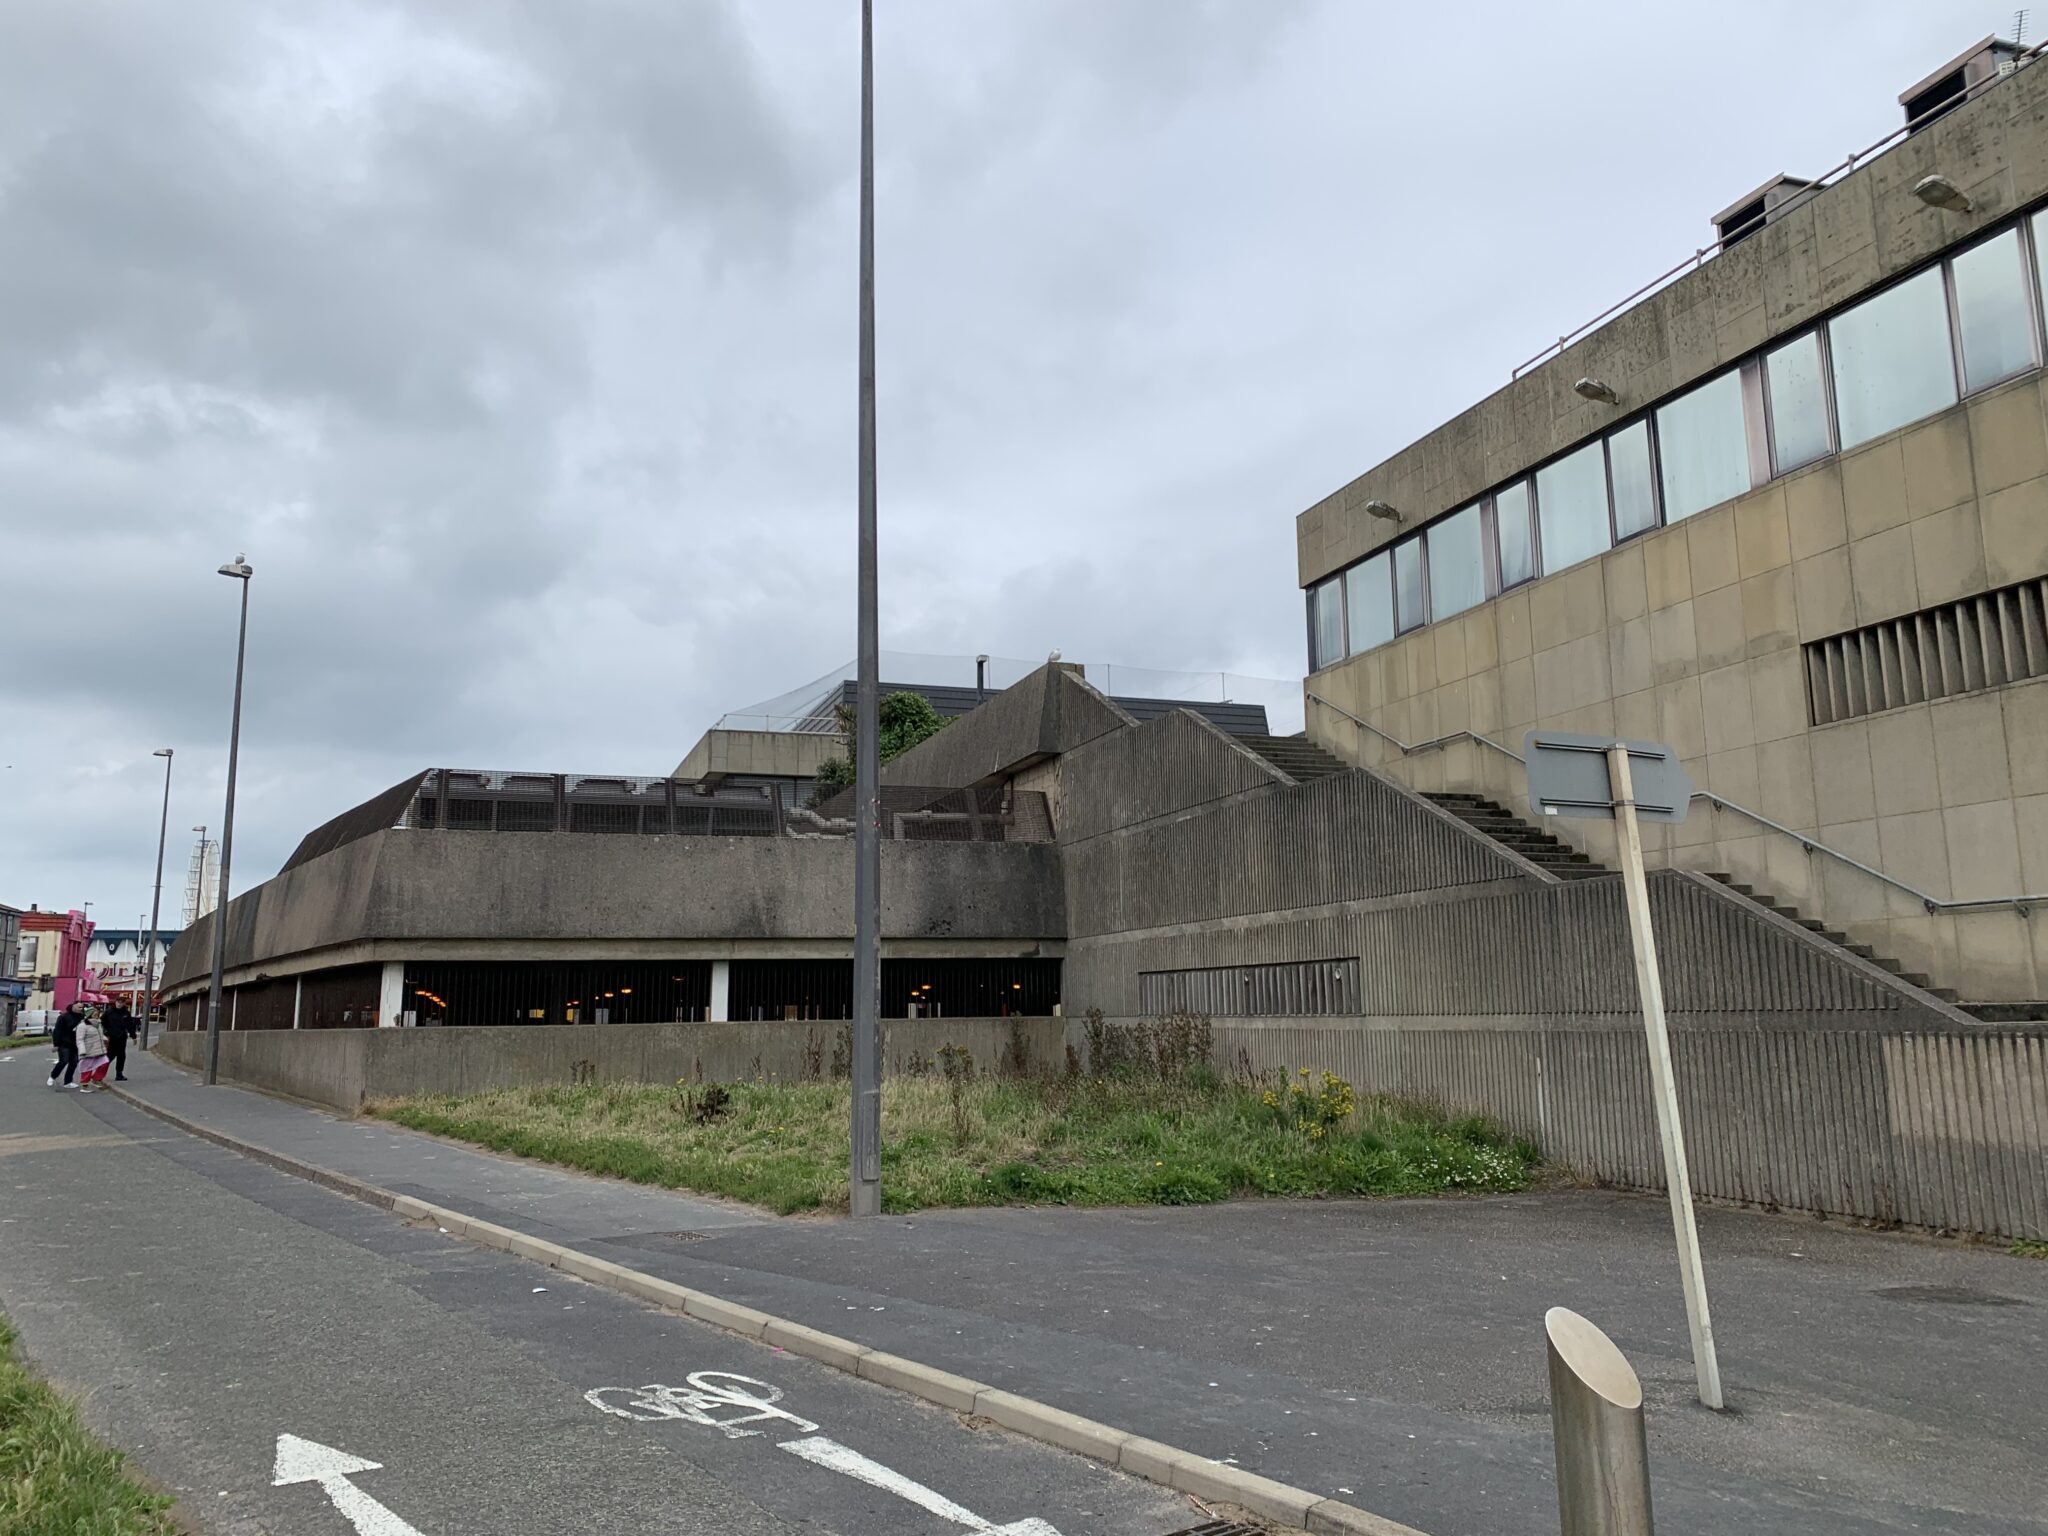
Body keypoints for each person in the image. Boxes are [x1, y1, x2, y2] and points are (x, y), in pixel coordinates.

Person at [46, 1002, 83, 1089]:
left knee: (74, 1062)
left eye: (81, 1007)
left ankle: (68, 1081)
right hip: (64, 1043)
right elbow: (57, 1031)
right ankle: (52, 1076)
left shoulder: (82, 1017)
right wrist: (56, 1044)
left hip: (75, 1043)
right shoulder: (63, 1017)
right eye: (79, 1007)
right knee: (63, 1061)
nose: (80, 1009)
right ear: (73, 1006)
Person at [75, 1009, 110, 1091]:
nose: (96, 1016)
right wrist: (82, 1051)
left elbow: (100, 1035)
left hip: (99, 1049)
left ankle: (96, 1078)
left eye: (97, 1014)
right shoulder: (82, 1026)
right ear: (89, 1015)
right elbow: (79, 1039)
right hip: (88, 1050)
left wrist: (104, 1038)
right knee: (87, 1067)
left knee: (105, 1063)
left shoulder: (98, 1024)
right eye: (94, 1014)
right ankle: (84, 1086)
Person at [102, 1001, 134, 1082]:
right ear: (115, 1003)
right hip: (111, 1036)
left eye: (121, 1003)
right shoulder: (109, 1012)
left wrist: (133, 1036)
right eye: (118, 1002)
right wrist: (106, 1031)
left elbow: (130, 1025)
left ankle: (119, 1074)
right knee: (110, 1055)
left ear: (124, 1003)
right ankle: (99, 1072)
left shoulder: (126, 1013)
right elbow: (103, 1021)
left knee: (121, 1055)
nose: (119, 1004)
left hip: (122, 1037)